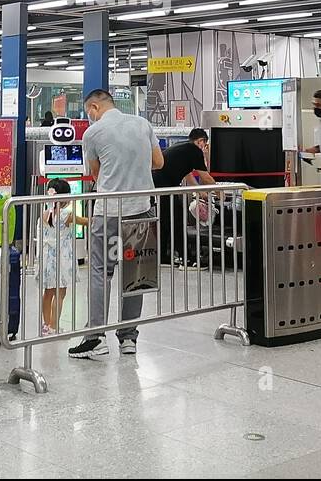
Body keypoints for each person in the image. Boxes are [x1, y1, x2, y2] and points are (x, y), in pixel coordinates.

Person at [69, 88, 163, 360]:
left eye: (90, 113)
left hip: (109, 214)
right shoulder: (143, 124)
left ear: (95, 108)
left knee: (101, 272)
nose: (90, 117)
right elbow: (158, 162)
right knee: (136, 274)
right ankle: (128, 339)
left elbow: (96, 174)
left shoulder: (93, 134)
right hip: (141, 213)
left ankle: (95, 337)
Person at [154, 127, 217, 267]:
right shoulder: (194, 151)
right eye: (204, 145)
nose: (204, 148)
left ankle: (163, 257)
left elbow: (187, 174)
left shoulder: (182, 147)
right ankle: (186, 259)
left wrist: (199, 191)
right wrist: (220, 193)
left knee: (165, 222)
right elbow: (205, 177)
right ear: (201, 141)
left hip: (158, 185)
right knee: (177, 221)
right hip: (166, 187)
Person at [40, 178, 87, 335]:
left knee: (48, 293)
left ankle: (46, 325)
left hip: (47, 258)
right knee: (60, 294)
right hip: (63, 259)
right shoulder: (67, 215)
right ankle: (54, 326)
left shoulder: (44, 214)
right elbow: (87, 222)